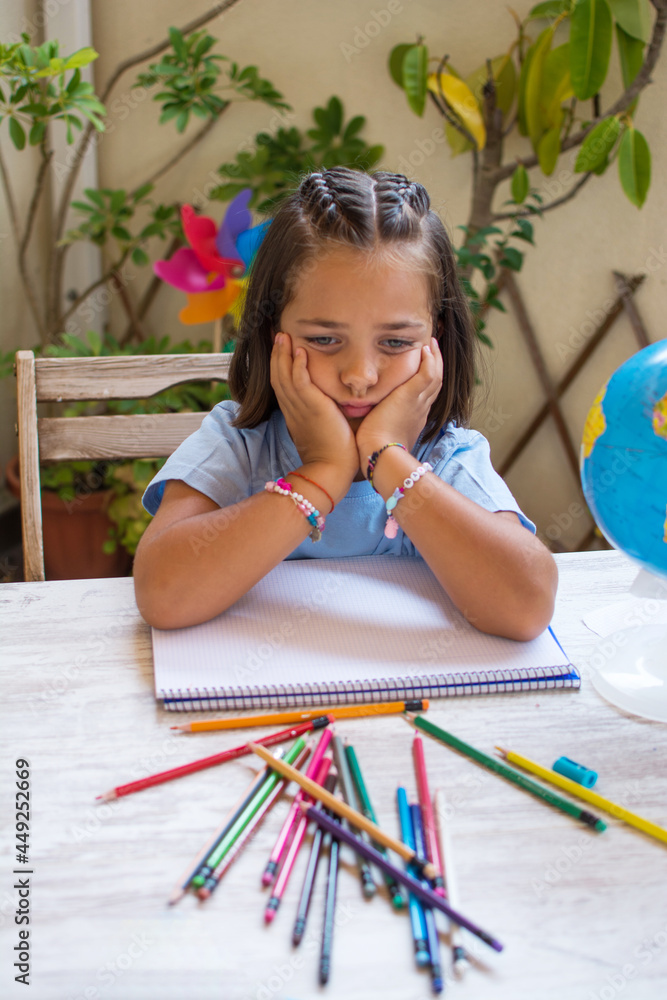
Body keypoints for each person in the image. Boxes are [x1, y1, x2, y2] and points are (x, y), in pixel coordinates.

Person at [134, 167, 557, 636]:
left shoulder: (445, 455)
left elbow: (527, 607)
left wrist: (387, 458)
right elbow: (163, 595)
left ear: (434, 341)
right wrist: (324, 472)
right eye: (324, 339)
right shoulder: (239, 443)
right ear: (272, 331)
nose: (360, 376)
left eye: (395, 343)